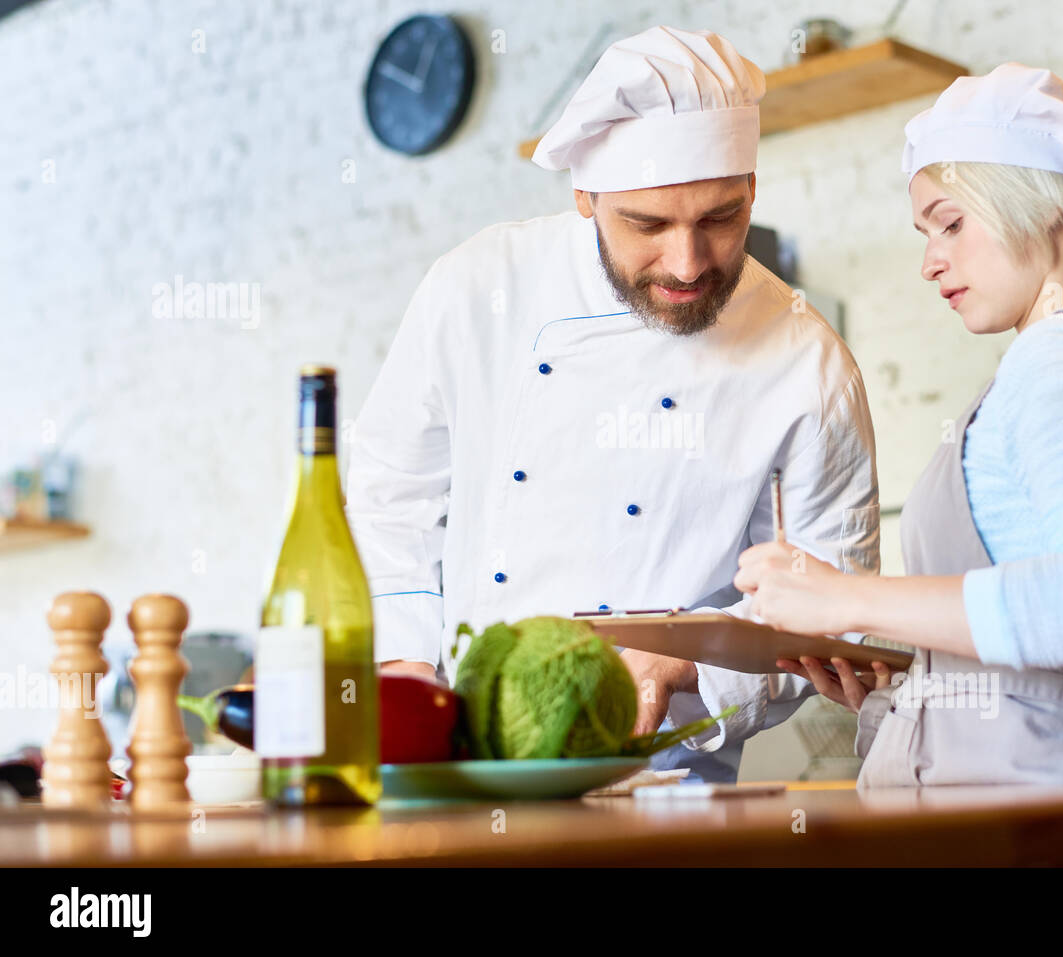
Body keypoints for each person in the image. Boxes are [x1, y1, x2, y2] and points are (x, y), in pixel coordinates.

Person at [345, 26, 881, 783]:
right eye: (648, 225)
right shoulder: (477, 290)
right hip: (465, 762)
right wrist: (406, 673)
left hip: (671, 786)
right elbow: (388, 498)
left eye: (719, 219)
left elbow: (839, 611)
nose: (688, 263)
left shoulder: (808, 362)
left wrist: (684, 664)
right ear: (584, 196)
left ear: (752, 189)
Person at [735, 63, 1063, 786]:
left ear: (1048, 212)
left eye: (951, 223)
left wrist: (846, 597)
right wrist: (911, 694)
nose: (930, 263)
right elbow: (1053, 670)